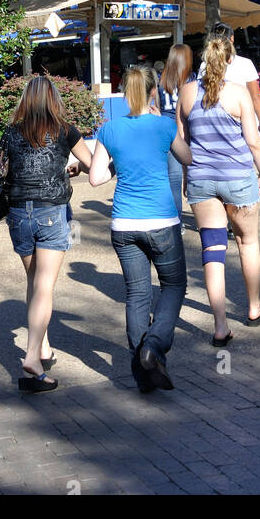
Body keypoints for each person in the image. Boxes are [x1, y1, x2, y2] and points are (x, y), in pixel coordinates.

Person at [89, 64, 192, 393]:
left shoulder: (110, 130)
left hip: (123, 224)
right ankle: (154, 346)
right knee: (174, 286)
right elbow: (187, 158)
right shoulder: (163, 126)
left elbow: (96, 178)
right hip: (161, 220)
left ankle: (142, 368)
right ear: (152, 92)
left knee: (136, 294)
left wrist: (122, 161)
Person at [177, 32, 260, 344]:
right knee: (248, 242)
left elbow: (182, 143)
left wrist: (185, 177)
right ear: (229, 60)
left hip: (201, 180)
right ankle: (254, 306)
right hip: (238, 178)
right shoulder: (238, 94)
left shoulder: (187, 93)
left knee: (213, 248)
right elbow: (253, 142)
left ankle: (220, 325)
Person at [3, 75, 94, 392]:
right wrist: (77, 168)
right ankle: (31, 355)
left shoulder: (12, 131)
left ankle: (42, 347)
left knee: (33, 282)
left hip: (18, 213)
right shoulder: (64, 130)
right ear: (54, 100)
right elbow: (93, 164)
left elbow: (1, 171)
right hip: (51, 212)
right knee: (44, 286)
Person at [202, 22, 260, 140]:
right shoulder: (245, 63)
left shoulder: (204, 65)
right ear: (232, 38)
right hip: (242, 121)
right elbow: (255, 96)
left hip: (213, 121)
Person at [158, 43, 196, 222]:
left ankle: (176, 221)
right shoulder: (192, 79)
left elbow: (157, 109)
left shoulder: (161, 81)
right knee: (197, 173)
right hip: (189, 128)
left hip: (167, 131)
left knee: (173, 178)